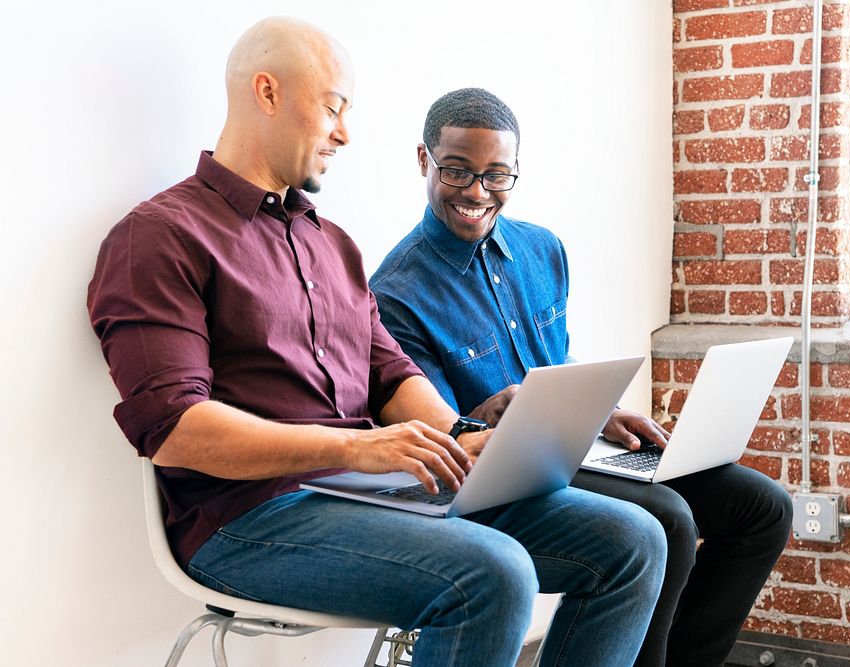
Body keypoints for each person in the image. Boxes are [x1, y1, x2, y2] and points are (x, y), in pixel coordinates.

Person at [87, 19, 667, 667]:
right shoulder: (159, 236)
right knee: (494, 573)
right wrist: (358, 447)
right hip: (248, 519)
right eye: (333, 106)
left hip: (378, 492)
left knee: (634, 538)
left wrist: (457, 439)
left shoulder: (328, 242)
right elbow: (174, 428)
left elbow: (389, 375)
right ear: (268, 92)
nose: (345, 132)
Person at [369, 87, 794, 667]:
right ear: (423, 161)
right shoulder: (395, 292)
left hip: (583, 451)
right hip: (500, 479)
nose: (477, 192)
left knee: (762, 506)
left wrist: (603, 410)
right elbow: (436, 438)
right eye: (457, 171)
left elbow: (558, 364)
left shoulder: (544, 249)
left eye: (497, 175)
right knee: (666, 517)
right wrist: (489, 413)